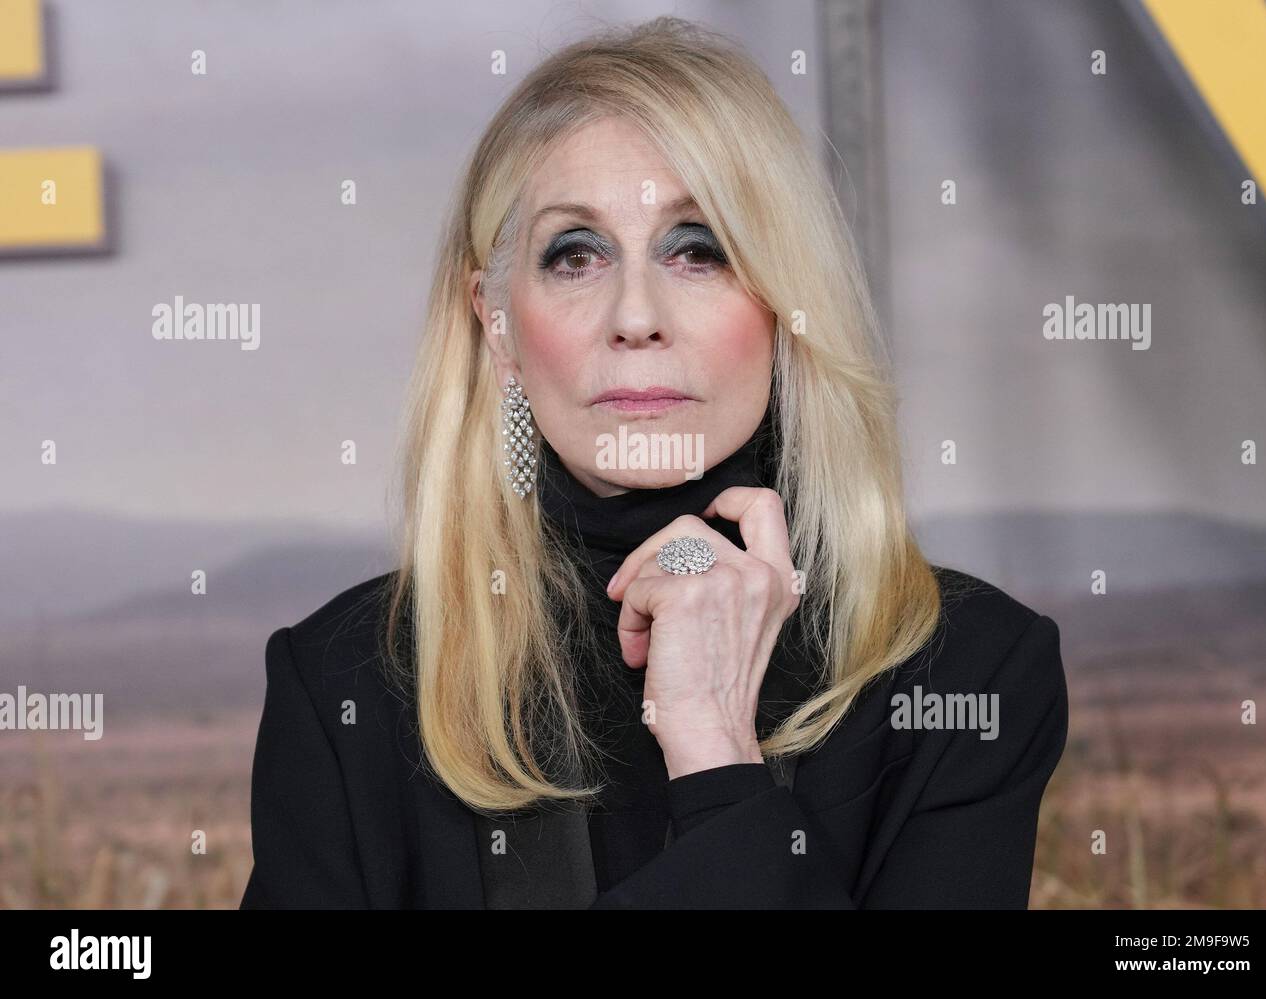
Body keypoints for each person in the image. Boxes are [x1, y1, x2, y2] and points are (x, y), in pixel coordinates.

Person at [239, 15, 1068, 909]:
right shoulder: (347, 683)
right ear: (497, 323)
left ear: (787, 299)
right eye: (576, 254)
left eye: (698, 248)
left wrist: (714, 752)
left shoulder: (967, 671)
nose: (637, 314)